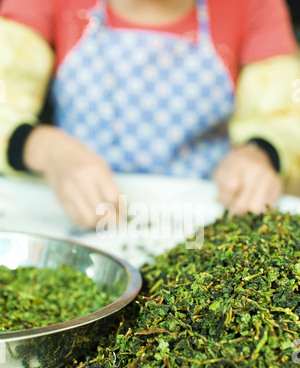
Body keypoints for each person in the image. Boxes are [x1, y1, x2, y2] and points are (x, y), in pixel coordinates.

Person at [0, 0, 300, 229]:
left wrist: (263, 152)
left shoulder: (254, 6)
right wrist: (45, 148)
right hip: (75, 219)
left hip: (200, 224)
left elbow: (286, 117)